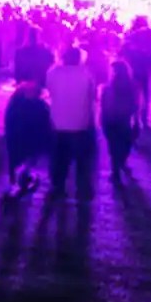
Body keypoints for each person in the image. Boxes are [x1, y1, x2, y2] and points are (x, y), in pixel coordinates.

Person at [46, 46, 96, 197]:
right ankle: (82, 189)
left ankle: (58, 185)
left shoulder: (53, 73)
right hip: (80, 123)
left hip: (58, 122)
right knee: (82, 159)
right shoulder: (86, 74)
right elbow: (91, 96)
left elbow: (50, 90)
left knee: (60, 158)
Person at [3, 82, 51, 196]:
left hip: (14, 137)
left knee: (14, 156)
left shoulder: (13, 105)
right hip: (32, 139)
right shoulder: (40, 105)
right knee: (31, 155)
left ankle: (14, 179)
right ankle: (24, 176)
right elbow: (46, 121)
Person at [100, 60, 140, 182]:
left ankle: (116, 170)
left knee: (114, 146)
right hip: (123, 120)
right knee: (124, 144)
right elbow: (135, 104)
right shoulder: (132, 86)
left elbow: (103, 104)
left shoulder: (107, 87)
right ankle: (120, 165)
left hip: (110, 120)